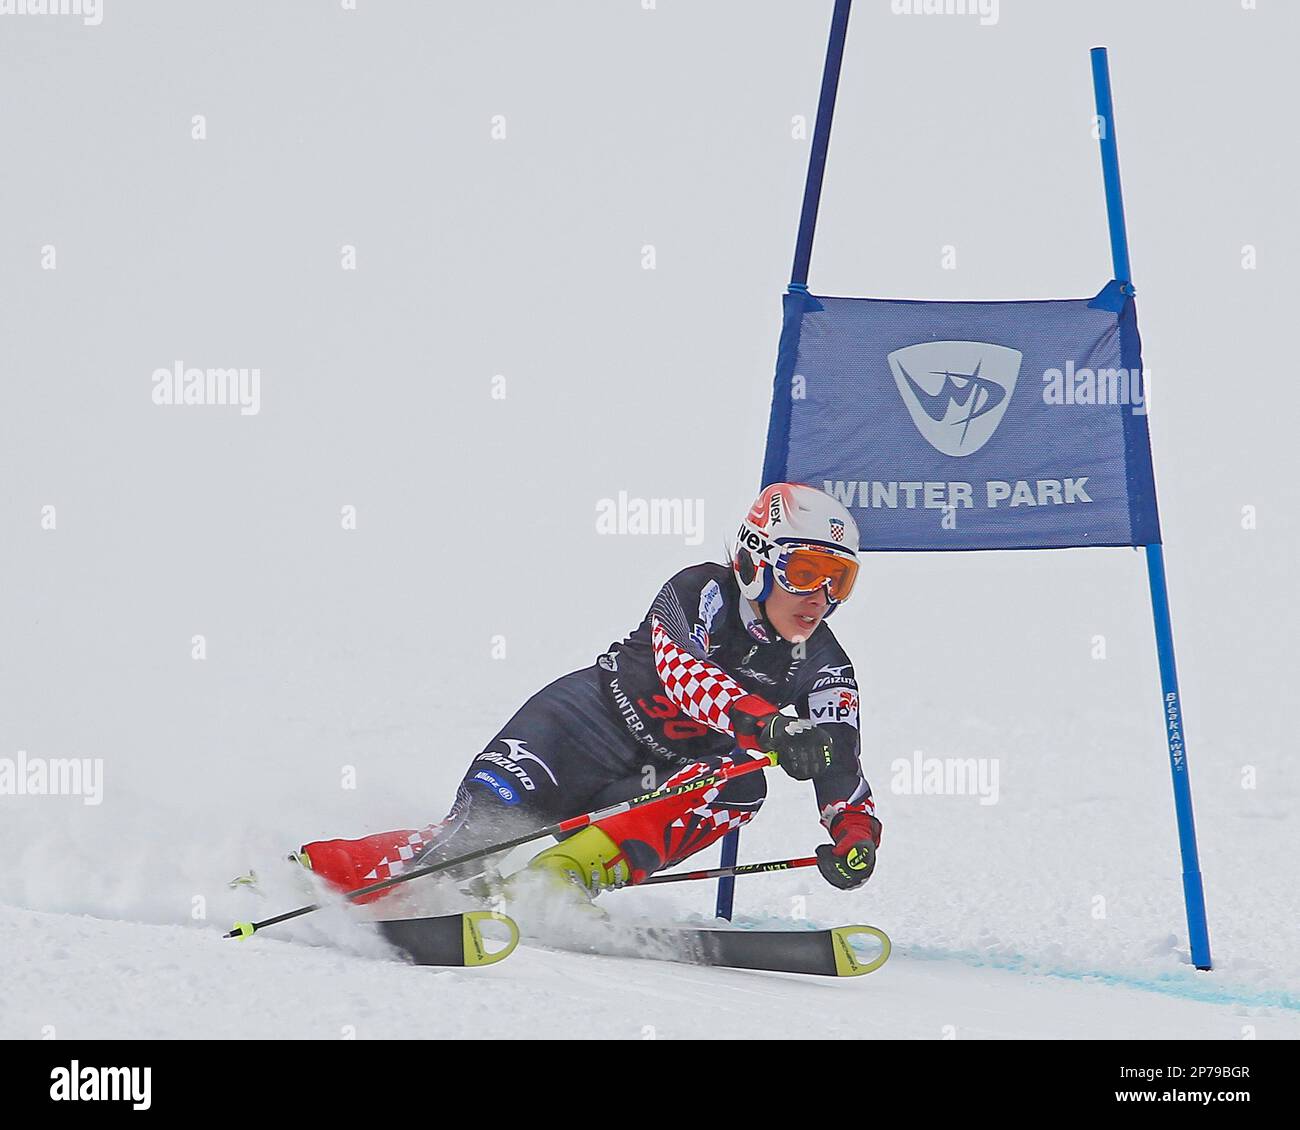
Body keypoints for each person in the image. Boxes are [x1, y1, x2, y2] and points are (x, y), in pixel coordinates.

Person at [299, 482, 881, 905]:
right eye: (805, 571)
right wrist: (772, 727)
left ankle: (557, 883)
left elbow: (841, 755)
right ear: (755, 561)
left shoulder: (825, 664)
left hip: (653, 781)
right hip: (573, 734)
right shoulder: (700, 591)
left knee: (740, 785)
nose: (821, 596)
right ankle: (307, 876)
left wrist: (853, 832)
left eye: (840, 580)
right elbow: (686, 676)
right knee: (463, 852)